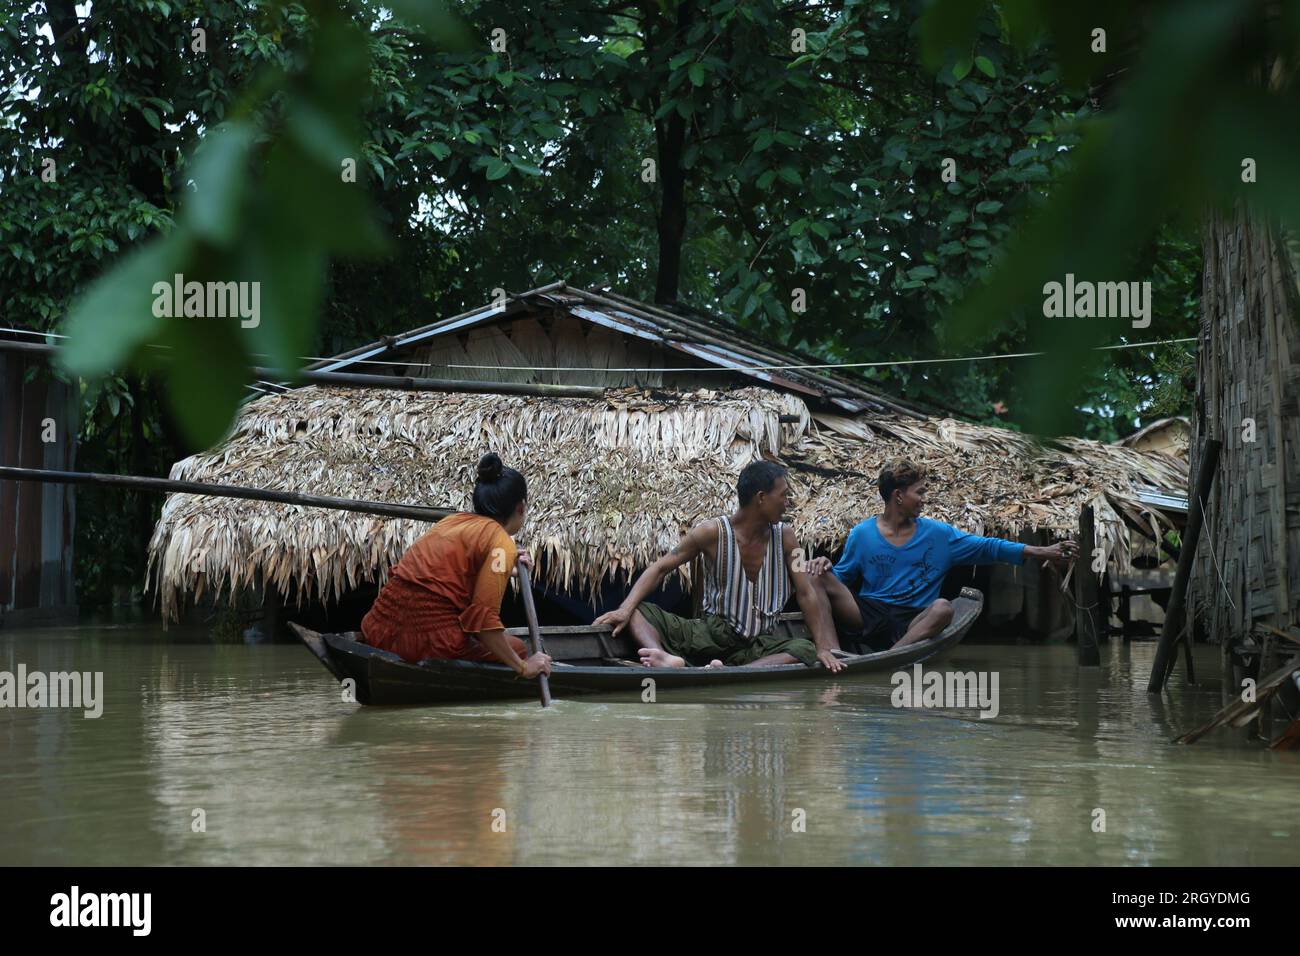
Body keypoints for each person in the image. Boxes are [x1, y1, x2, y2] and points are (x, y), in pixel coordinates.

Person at [593, 461, 847, 671]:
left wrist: (823, 647)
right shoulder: (711, 532)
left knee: (804, 648)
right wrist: (625, 609)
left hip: (757, 645)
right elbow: (659, 568)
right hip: (711, 635)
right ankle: (663, 657)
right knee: (639, 611)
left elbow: (806, 592)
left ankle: (734, 673)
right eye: (783, 495)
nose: (788, 503)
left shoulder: (788, 537)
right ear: (761, 498)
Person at [805, 458, 1076, 651]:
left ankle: (892, 656)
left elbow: (989, 547)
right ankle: (829, 649)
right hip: (869, 613)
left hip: (914, 619)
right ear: (898, 495)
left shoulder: (938, 534)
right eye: (919, 492)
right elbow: (841, 578)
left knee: (944, 608)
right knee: (815, 575)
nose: (924, 498)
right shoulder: (862, 534)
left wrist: (1043, 551)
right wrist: (825, 565)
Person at [360, 453, 552, 680]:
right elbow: (483, 624)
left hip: (378, 627)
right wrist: (523, 667)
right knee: (518, 649)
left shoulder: (454, 520)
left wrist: (506, 569)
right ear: (520, 508)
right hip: (424, 641)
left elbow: (451, 572)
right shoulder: (501, 544)